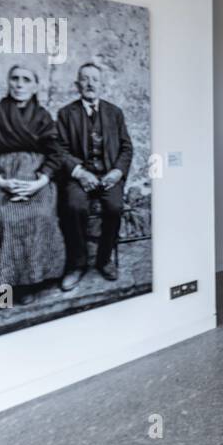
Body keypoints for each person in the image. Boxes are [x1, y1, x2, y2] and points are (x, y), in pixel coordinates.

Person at [0, 64, 67, 306]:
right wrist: (1, 181)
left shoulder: (42, 117)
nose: (19, 84)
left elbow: (55, 154)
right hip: (3, 180)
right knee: (6, 222)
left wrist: (40, 181)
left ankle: (31, 283)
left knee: (40, 216)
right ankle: (5, 291)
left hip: (35, 180)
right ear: (8, 82)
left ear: (34, 86)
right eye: (15, 79)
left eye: (26, 80)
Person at [56, 63, 133, 289]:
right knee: (74, 206)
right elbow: (59, 149)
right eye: (85, 79)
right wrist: (79, 173)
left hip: (109, 175)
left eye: (95, 79)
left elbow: (127, 148)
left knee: (114, 207)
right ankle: (77, 264)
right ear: (77, 84)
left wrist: (117, 172)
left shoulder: (114, 113)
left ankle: (104, 259)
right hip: (79, 177)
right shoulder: (65, 114)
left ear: (102, 84)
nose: (90, 84)